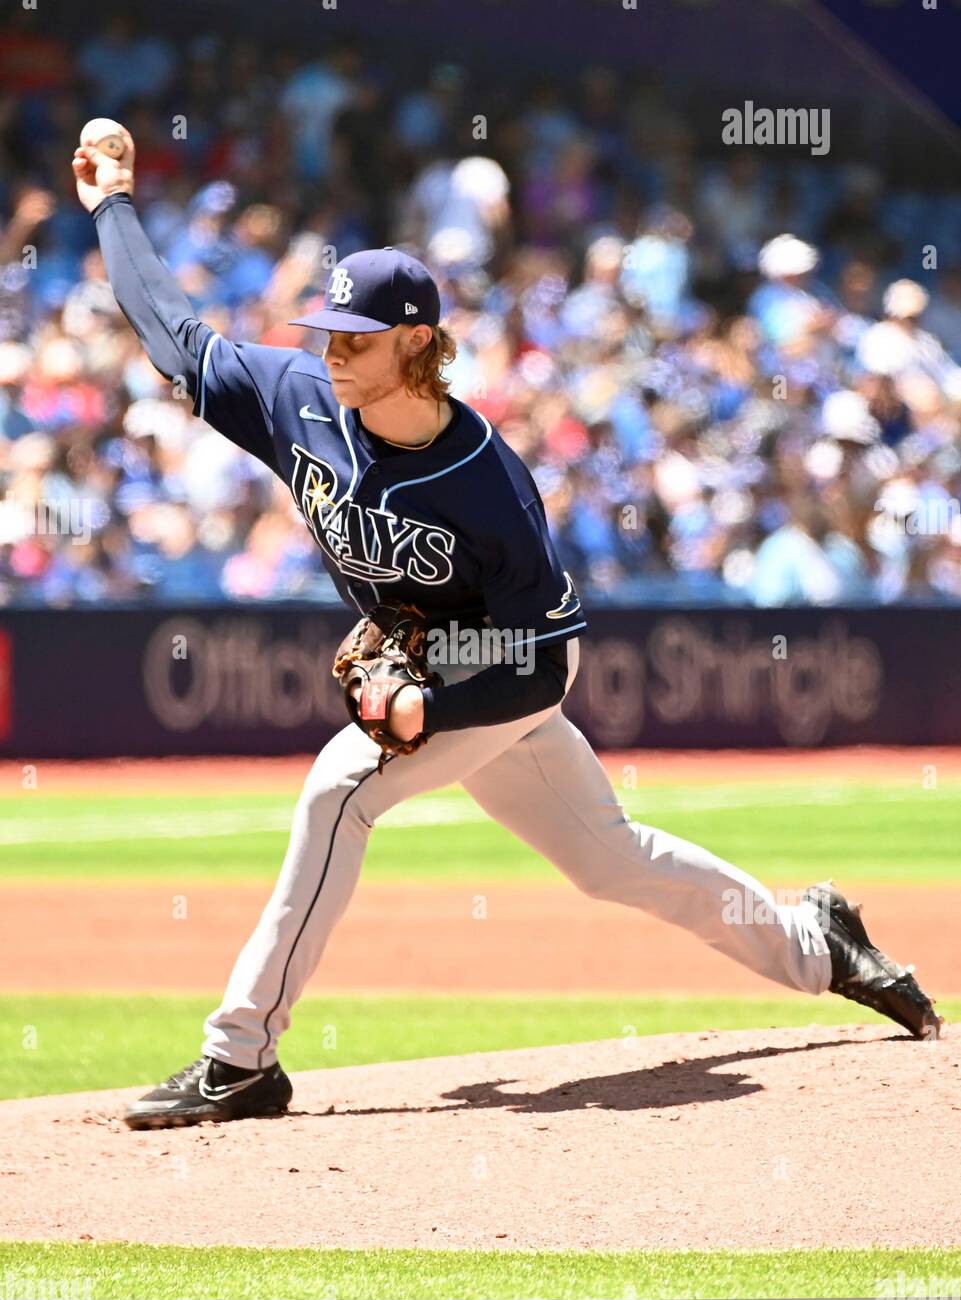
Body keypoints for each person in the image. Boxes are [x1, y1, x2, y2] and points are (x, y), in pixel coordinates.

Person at [71, 126, 944, 1130]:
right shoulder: (297, 397)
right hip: (436, 658)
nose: (330, 348)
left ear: (413, 346)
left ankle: (240, 1055)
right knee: (611, 859)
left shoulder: (484, 481)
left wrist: (429, 698)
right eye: (327, 331)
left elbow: (540, 658)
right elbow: (176, 336)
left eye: (353, 335)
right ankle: (820, 945)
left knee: (338, 790)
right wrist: (115, 207)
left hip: (514, 663)